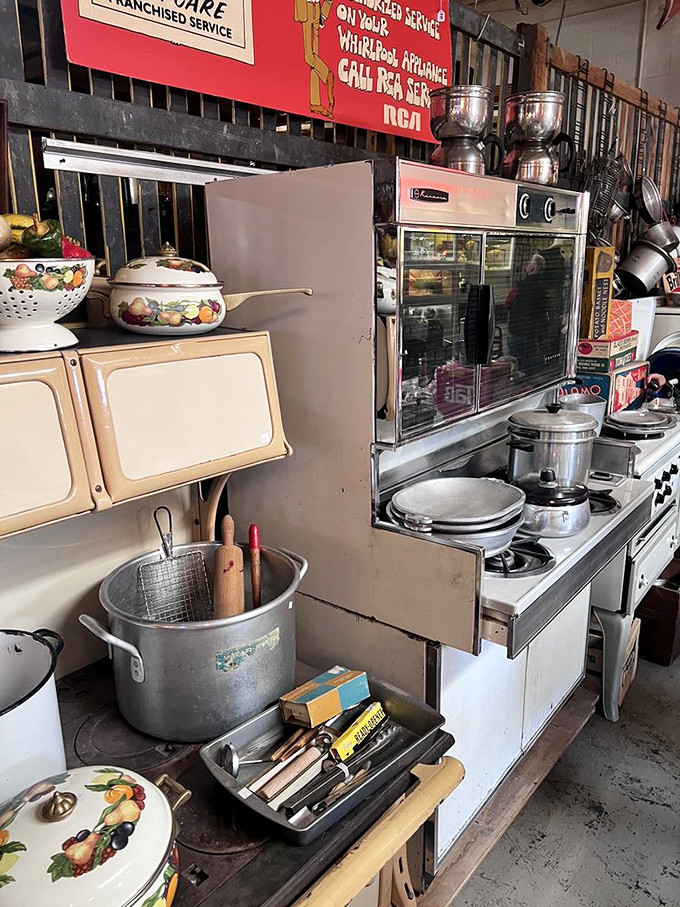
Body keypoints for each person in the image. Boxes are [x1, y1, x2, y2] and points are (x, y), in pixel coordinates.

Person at [294, 0, 335, 118]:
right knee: (309, 56)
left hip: (317, 9)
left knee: (312, 55)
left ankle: (315, 103)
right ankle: (327, 75)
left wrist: (324, 13)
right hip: (305, 8)